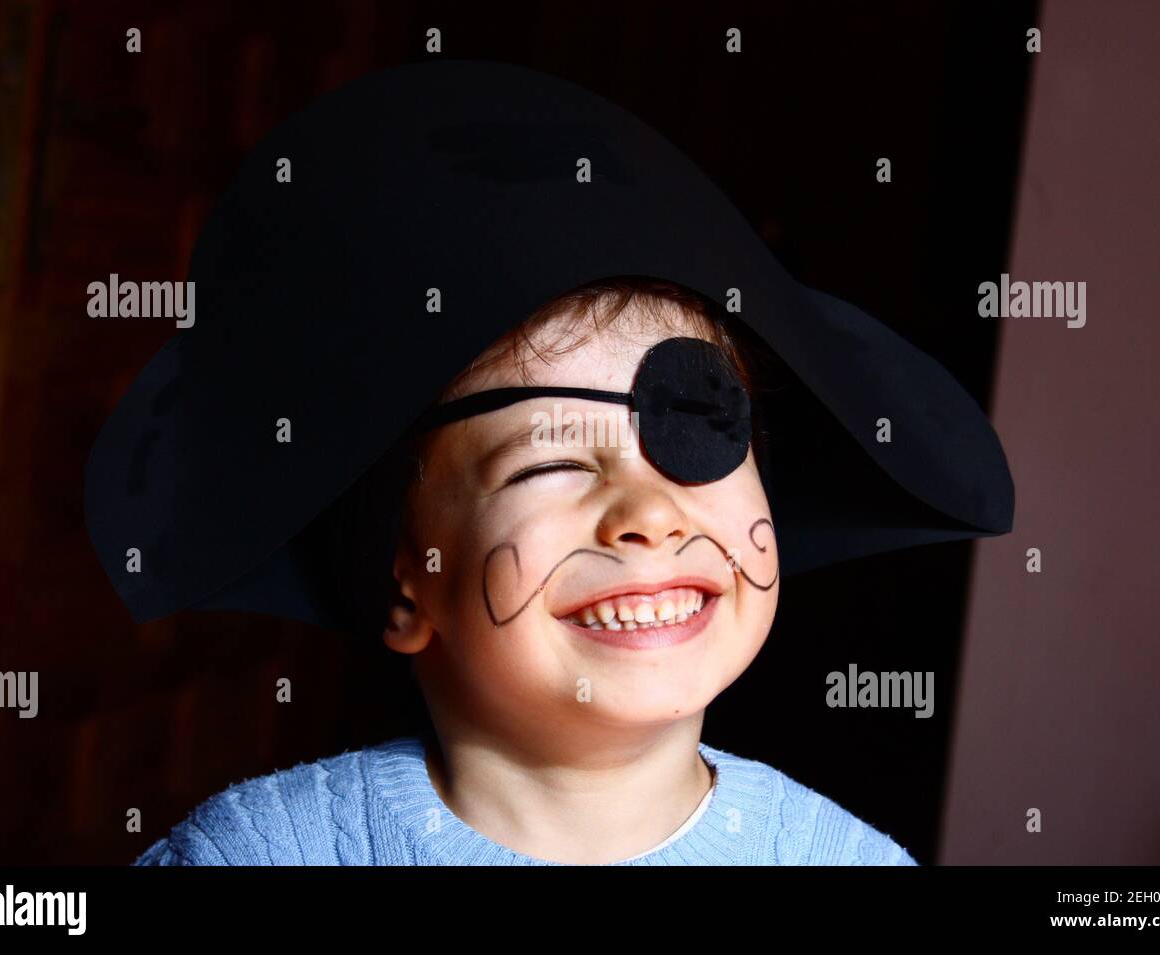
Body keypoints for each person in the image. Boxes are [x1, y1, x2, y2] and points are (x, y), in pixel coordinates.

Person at [85, 60, 1012, 865]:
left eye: (695, 429)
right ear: (403, 582)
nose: (648, 511)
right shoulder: (259, 855)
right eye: (547, 465)